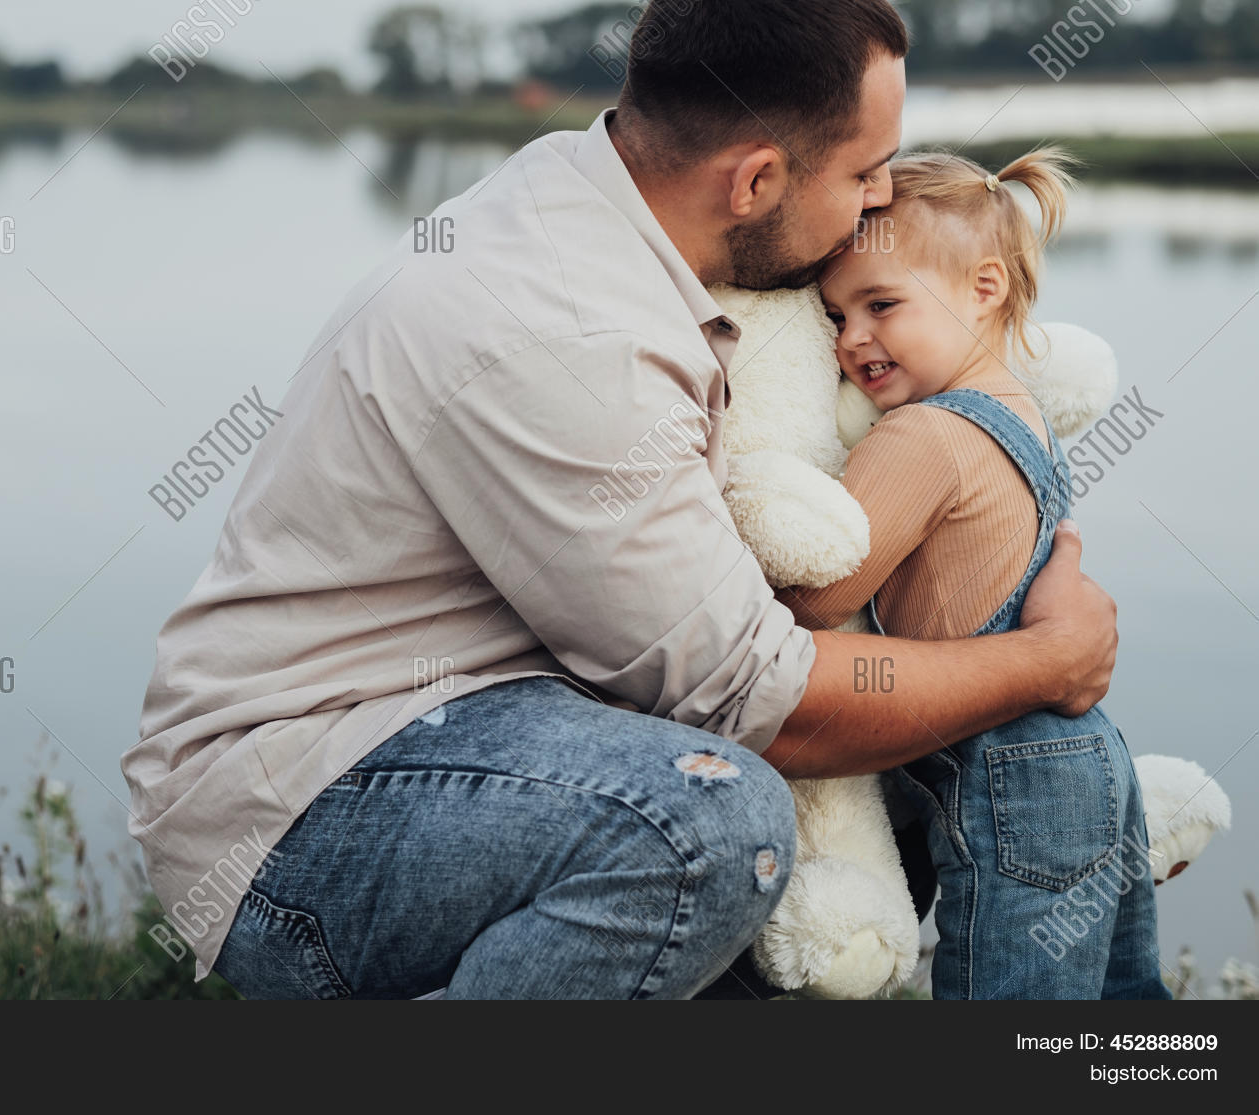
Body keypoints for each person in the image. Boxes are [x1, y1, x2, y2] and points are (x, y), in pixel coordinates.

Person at [122, 0, 1121, 1000]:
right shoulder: (565, 330)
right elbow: (763, 705)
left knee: (916, 779)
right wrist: (1044, 660)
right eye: (866, 171)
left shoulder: (611, 205)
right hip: (313, 798)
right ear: (754, 181)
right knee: (709, 822)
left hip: (502, 721)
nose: (880, 199)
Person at [779, 148, 1168, 999]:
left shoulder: (921, 436)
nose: (851, 339)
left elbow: (816, 594)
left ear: (985, 288)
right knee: (1123, 1005)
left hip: (1009, 770)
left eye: (881, 304)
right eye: (835, 316)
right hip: (1089, 754)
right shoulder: (1022, 411)